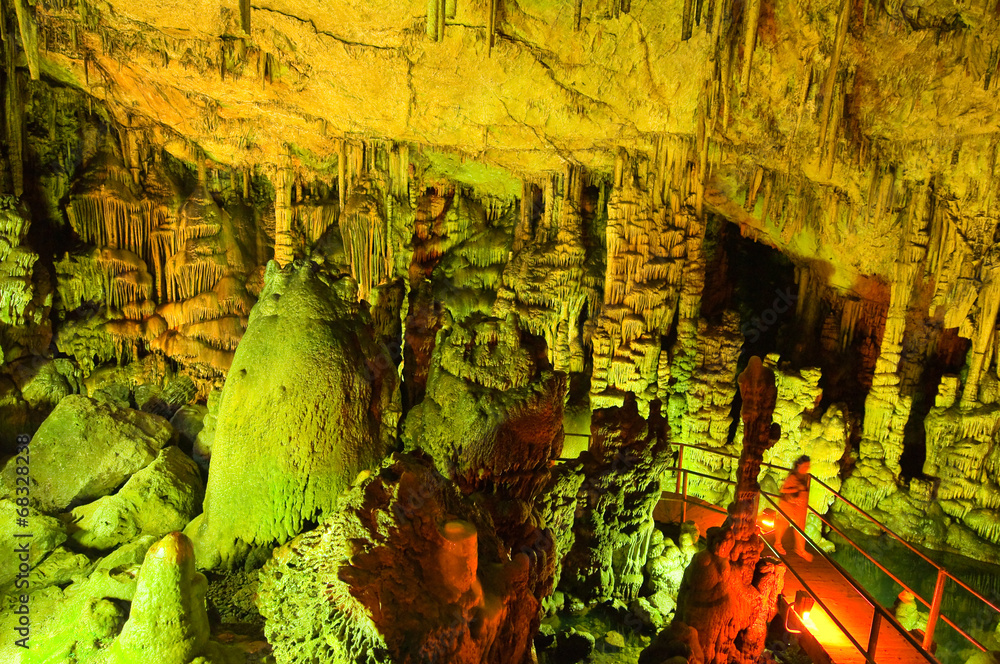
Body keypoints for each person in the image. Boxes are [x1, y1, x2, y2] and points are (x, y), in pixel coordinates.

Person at [773, 455, 813, 561]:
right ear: (798, 465)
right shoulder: (793, 477)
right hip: (788, 503)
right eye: (804, 466)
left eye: (808, 466)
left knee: (800, 525)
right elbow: (782, 490)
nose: (806, 468)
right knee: (783, 523)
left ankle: (800, 549)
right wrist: (797, 488)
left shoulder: (804, 476)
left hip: (798, 504)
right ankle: (777, 543)